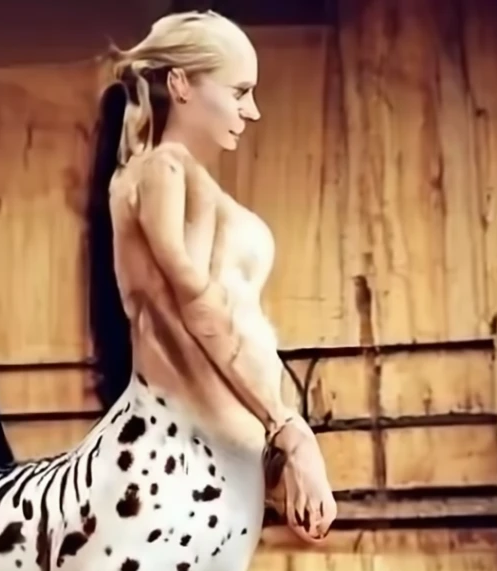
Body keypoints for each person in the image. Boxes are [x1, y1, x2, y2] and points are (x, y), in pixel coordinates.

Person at [85, 8, 337, 543]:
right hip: (194, 457)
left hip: (221, 457)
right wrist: (288, 431)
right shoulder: (162, 173)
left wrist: (277, 444)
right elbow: (195, 316)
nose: (253, 110)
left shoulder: (175, 176)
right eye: (240, 91)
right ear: (180, 84)